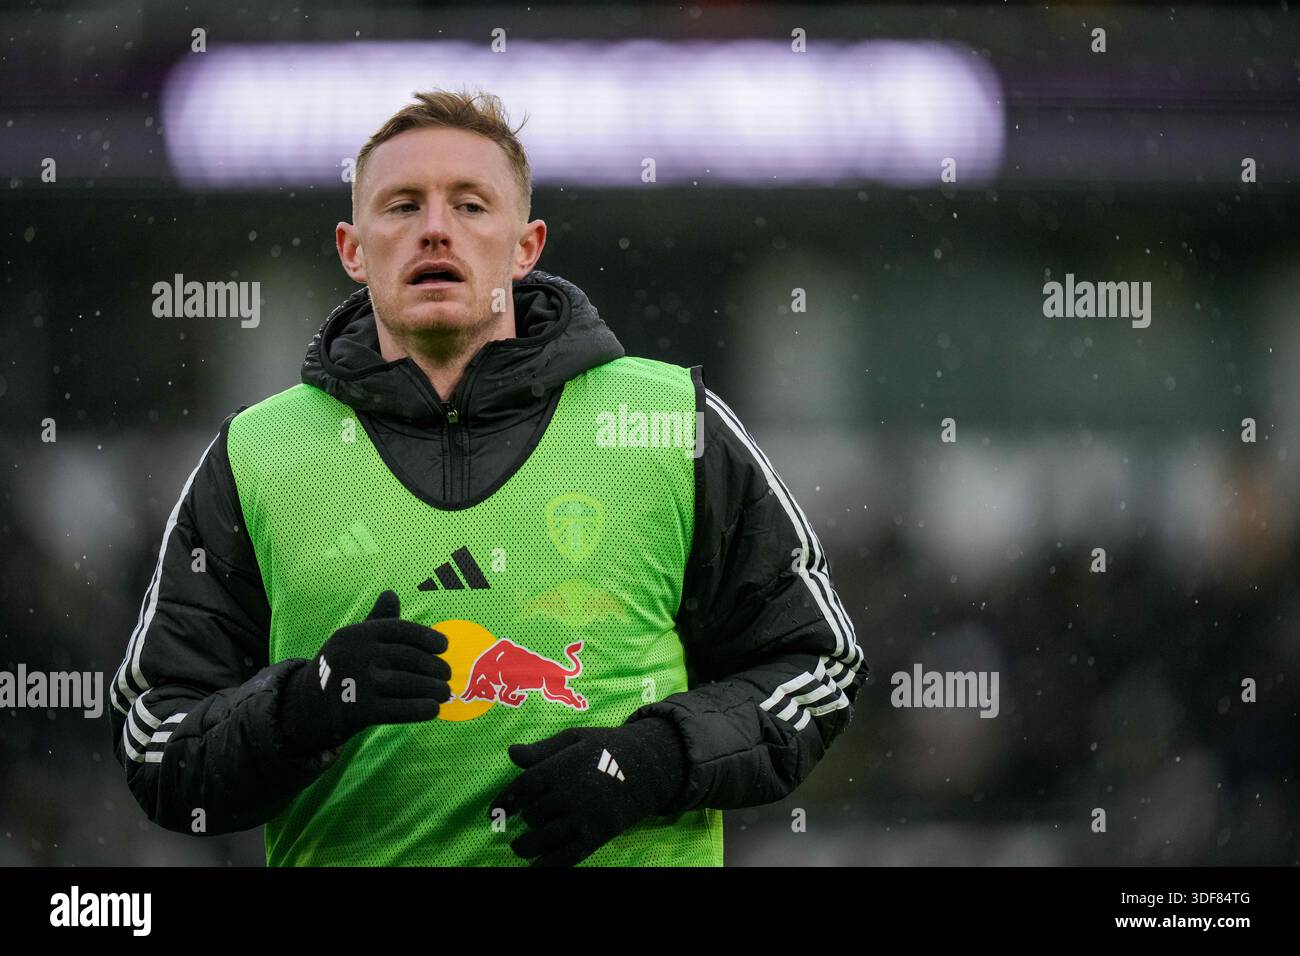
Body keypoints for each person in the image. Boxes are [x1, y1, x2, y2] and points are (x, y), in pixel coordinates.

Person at [109, 89, 868, 866]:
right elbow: (155, 744)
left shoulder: (672, 419)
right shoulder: (256, 454)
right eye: (402, 206)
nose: (435, 228)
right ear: (353, 249)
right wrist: (300, 710)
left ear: (525, 246)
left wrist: (656, 762)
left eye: (471, 205)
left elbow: (817, 665)